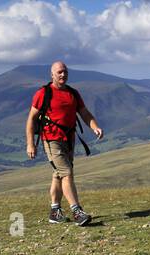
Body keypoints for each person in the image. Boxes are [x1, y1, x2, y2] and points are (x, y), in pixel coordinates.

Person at [26, 61, 104, 226]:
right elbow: (31, 119)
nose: (63, 75)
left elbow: (84, 112)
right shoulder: (43, 93)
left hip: (69, 138)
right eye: (60, 72)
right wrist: (30, 143)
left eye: (65, 72)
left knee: (59, 174)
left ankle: (55, 212)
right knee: (67, 173)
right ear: (52, 74)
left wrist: (95, 127)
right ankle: (77, 212)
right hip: (51, 139)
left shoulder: (73, 93)